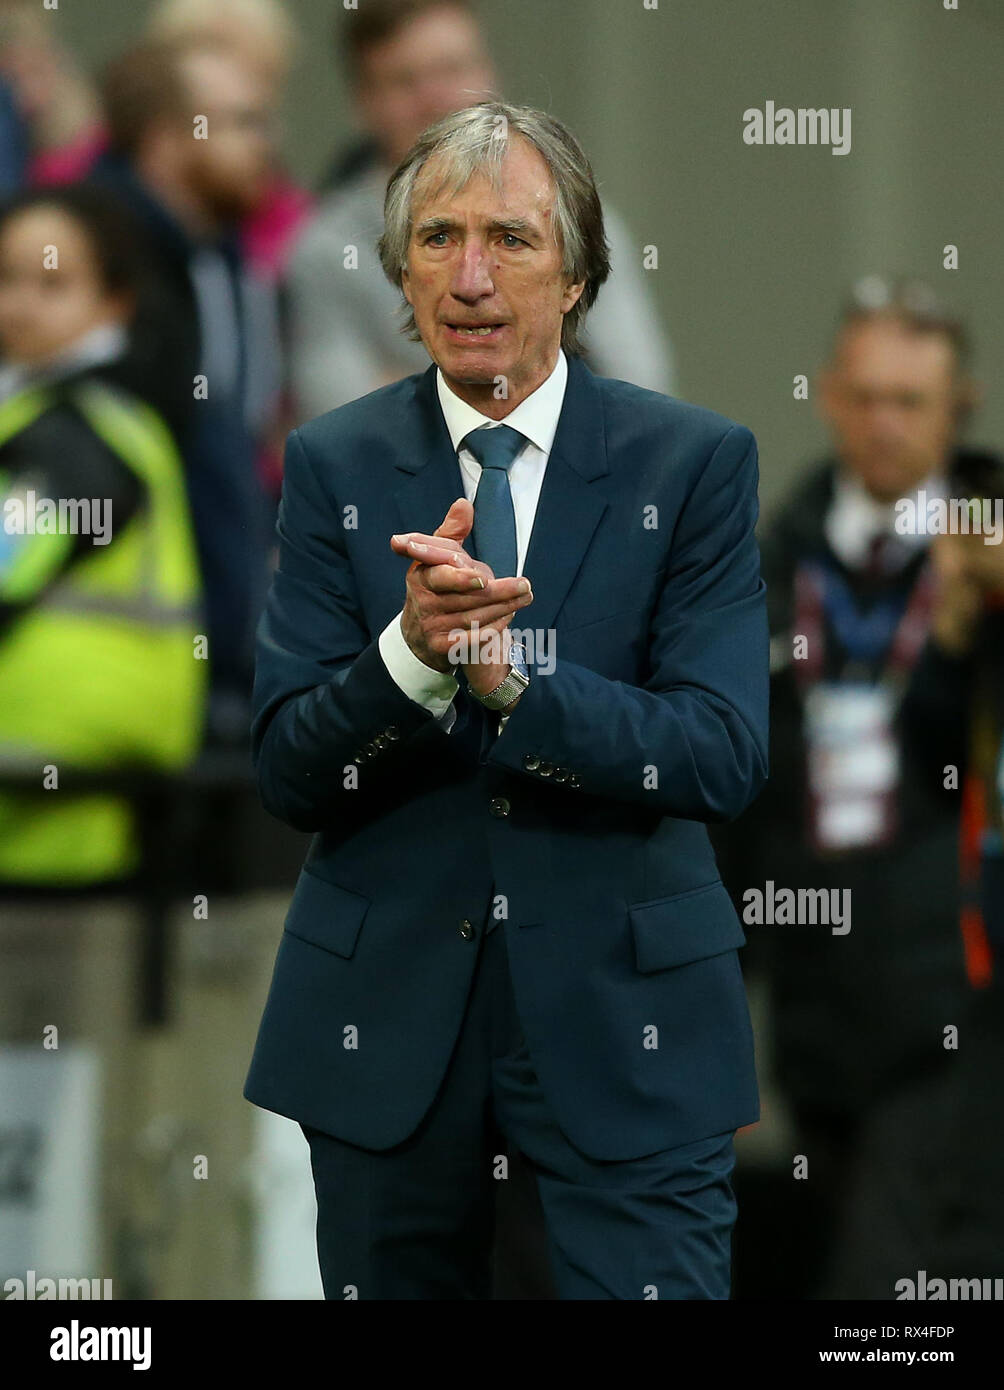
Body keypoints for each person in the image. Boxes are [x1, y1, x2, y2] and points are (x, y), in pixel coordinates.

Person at [244, 100, 768, 1300]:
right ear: (398, 269)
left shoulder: (687, 463)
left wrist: (513, 684)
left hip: (626, 1022)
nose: (469, 277)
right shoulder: (332, 462)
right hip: (386, 1028)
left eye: (510, 241)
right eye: (436, 240)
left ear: (578, 275)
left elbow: (720, 751)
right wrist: (414, 659)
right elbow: (285, 767)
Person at [716, 278, 991, 1297]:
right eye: (863, 395)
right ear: (827, 395)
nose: (881, 424)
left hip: (948, 1007)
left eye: (908, 402)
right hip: (809, 1010)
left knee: (881, 1287)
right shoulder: (765, 569)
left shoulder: (982, 566)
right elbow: (728, 796)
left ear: (956, 407)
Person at [287, 0, 676, 419]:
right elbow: (344, 416)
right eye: (405, 81)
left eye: (452, 70)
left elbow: (639, 390)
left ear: (490, 73)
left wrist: (417, 391)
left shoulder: (571, 213)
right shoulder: (325, 248)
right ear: (363, 102)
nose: (435, 100)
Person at [0, 184, 205, 888]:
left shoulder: (77, 434)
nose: (19, 303)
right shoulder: (77, 415)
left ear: (114, 302)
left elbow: (6, 567)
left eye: (53, 283)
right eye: (7, 278)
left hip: (56, 772)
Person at [90, 36, 283, 741]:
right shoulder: (95, 269)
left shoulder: (224, 261)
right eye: (242, 122)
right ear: (170, 139)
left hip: (221, 669)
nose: (269, 143)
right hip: (126, 682)